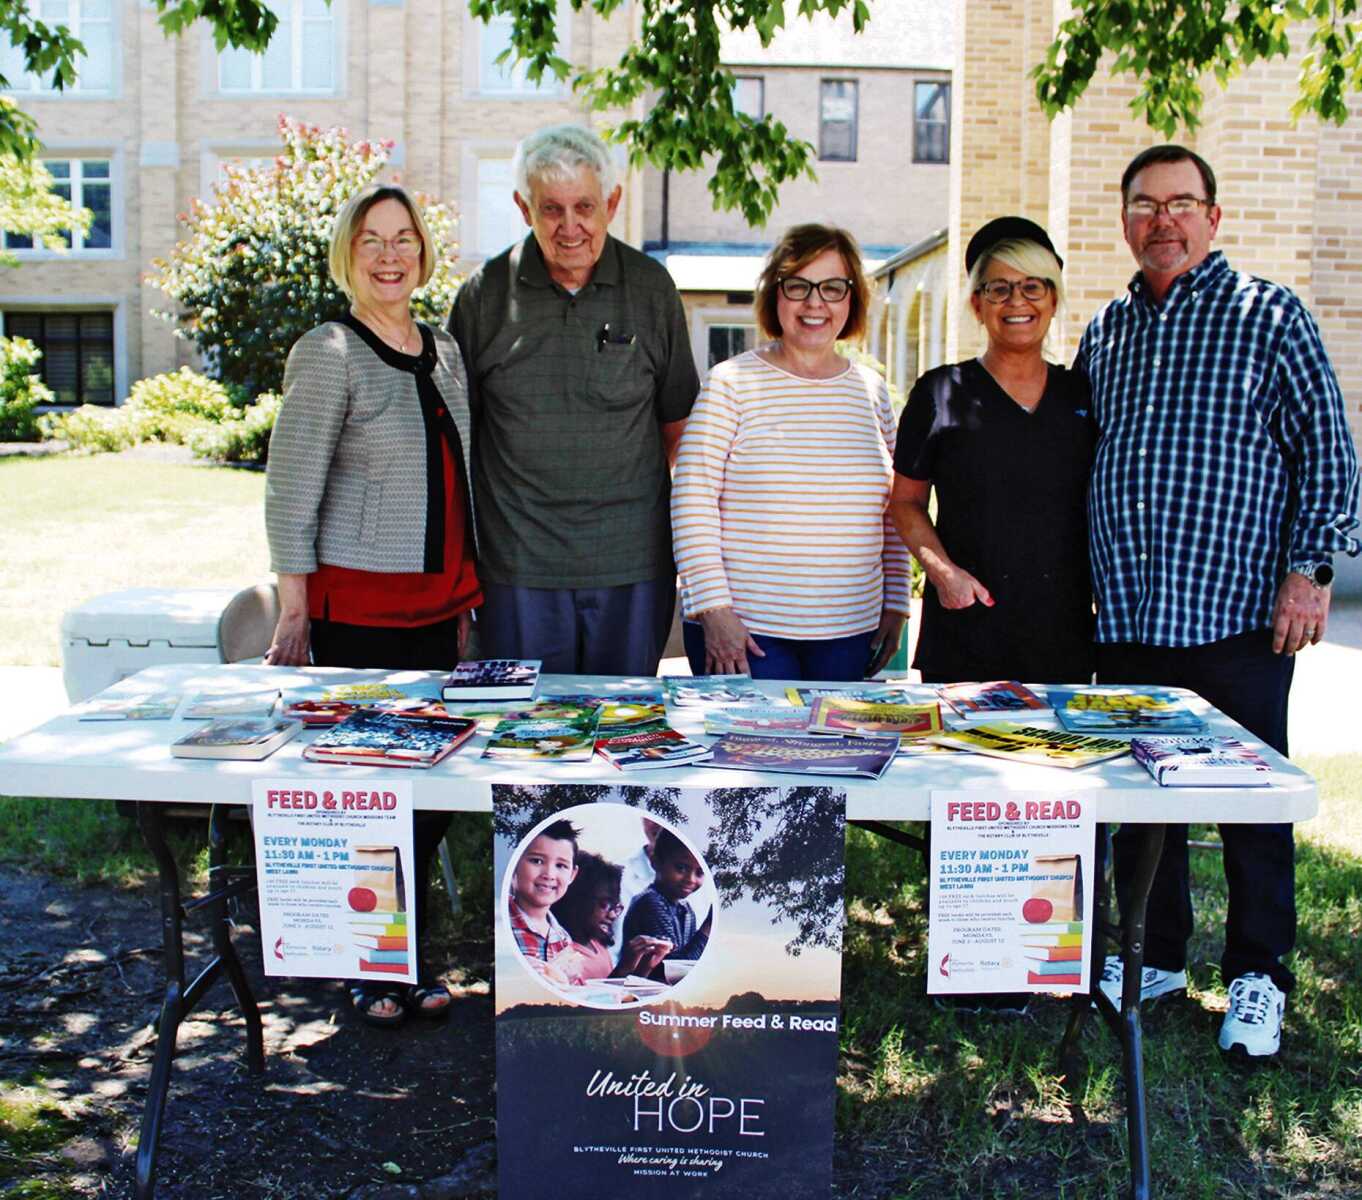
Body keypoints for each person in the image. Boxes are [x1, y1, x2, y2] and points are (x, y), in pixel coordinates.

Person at [1080, 145, 1360, 1058]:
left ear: (1214, 216)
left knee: (1250, 807)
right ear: (1124, 219)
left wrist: (1309, 570)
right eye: (1145, 205)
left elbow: (1327, 448)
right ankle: (1155, 957)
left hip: (1236, 614)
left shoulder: (1269, 316)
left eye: (1182, 203)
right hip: (1127, 616)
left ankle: (1257, 976)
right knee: (1140, 803)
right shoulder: (1106, 332)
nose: (1164, 220)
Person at [264, 182, 481, 1029]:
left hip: (439, 607)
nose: (390, 256)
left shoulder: (447, 349)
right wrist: (294, 608)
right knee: (370, 794)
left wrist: (467, 602)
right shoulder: (330, 351)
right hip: (357, 610)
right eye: (372, 241)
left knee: (426, 791)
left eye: (404, 240)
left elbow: (458, 482)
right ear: (348, 255)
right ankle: (369, 964)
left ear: (423, 253)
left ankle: (410, 951)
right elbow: (290, 493)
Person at [448, 123, 698, 675]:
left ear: (611, 202)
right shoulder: (484, 295)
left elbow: (678, 429)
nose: (570, 227)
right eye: (550, 209)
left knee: (623, 729)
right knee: (524, 733)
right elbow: (459, 442)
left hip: (631, 565)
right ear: (523, 207)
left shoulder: (652, 288)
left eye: (584, 206)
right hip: (517, 569)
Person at [671, 223, 911, 680]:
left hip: (849, 632)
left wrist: (897, 602)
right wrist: (713, 609)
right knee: (753, 752)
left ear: (852, 298)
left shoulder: (872, 391)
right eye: (798, 285)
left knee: (838, 753)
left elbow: (895, 507)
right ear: (775, 295)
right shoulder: (730, 384)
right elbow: (691, 500)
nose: (815, 302)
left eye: (832, 287)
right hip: (747, 635)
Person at [889, 216, 1094, 686]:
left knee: (1059, 760)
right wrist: (943, 575)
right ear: (977, 304)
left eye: (1032, 287)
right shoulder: (939, 393)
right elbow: (905, 503)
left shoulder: (1082, 395)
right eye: (998, 288)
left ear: (1054, 299)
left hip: (1062, 634)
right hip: (966, 627)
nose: (1016, 302)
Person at [551, 852, 672, 981]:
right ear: (576, 902)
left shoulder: (597, 945)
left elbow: (624, 995)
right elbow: (598, 999)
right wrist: (624, 967)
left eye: (615, 906)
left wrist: (646, 965)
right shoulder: (565, 957)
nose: (613, 914)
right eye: (604, 905)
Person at [621, 828, 711, 981]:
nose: (691, 879)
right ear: (655, 862)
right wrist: (709, 924)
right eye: (681, 868)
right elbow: (674, 972)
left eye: (700, 873)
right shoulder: (651, 902)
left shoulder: (686, 909)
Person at [507, 821, 582, 985]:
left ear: (572, 875)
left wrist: (570, 979)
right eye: (537, 861)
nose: (549, 874)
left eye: (561, 865)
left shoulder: (563, 938)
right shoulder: (503, 924)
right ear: (514, 864)